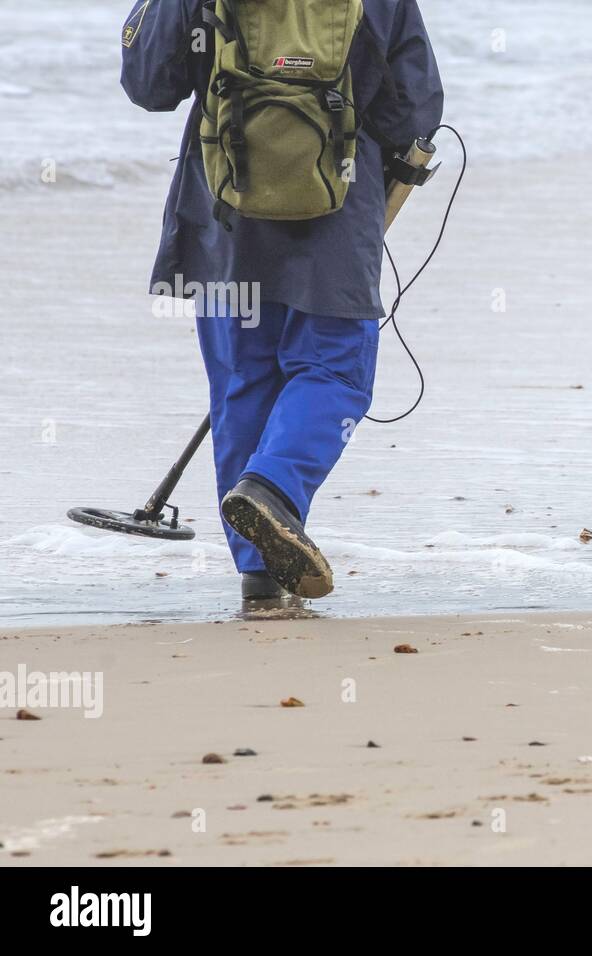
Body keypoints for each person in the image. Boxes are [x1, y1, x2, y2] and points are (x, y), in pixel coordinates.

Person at [120, 0, 443, 601]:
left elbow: (149, 83)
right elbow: (411, 110)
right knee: (335, 372)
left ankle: (262, 576)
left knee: (244, 382)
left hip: (225, 209)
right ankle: (272, 489)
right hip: (337, 212)